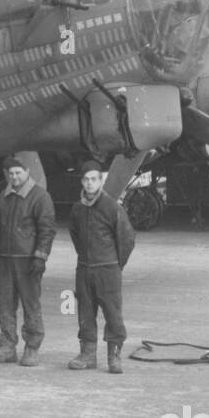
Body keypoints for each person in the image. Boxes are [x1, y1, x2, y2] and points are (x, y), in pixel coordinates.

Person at [0, 155, 56, 367]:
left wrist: (41, 256)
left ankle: (32, 347)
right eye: (11, 174)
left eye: (18, 173)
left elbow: (47, 230)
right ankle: (7, 346)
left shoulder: (40, 197)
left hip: (28, 262)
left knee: (30, 305)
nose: (14, 177)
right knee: (4, 306)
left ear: (27, 172)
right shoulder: (3, 197)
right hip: (5, 260)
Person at [68, 160, 136, 374]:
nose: (89, 184)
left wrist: (115, 265)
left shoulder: (111, 207)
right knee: (85, 313)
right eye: (86, 180)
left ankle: (114, 357)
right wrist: (86, 259)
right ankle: (88, 355)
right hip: (85, 268)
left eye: (94, 179)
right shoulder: (78, 209)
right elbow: (75, 236)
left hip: (108, 270)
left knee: (113, 315)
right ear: (81, 181)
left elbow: (127, 240)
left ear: (101, 181)